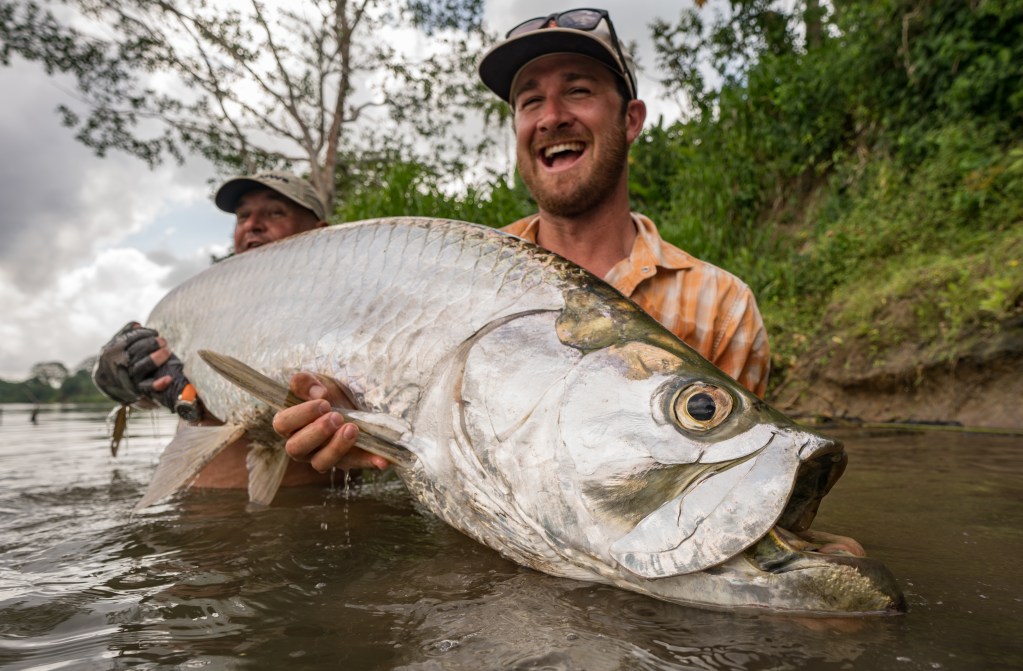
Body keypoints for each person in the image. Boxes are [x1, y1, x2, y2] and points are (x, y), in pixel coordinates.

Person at [273, 8, 771, 473]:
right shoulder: (453, 282)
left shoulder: (721, 307)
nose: (551, 116)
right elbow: (408, 434)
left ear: (630, 119)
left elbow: (733, 481)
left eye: (578, 90)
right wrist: (346, 418)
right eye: (531, 101)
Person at [92, 171, 381, 487]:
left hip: (321, 503)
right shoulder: (199, 305)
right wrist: (120, 375)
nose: (252, 224)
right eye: (243, 215)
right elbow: (142, 392)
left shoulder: (355, 304)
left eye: (275, 212)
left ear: (319, 231)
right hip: (197, 508)